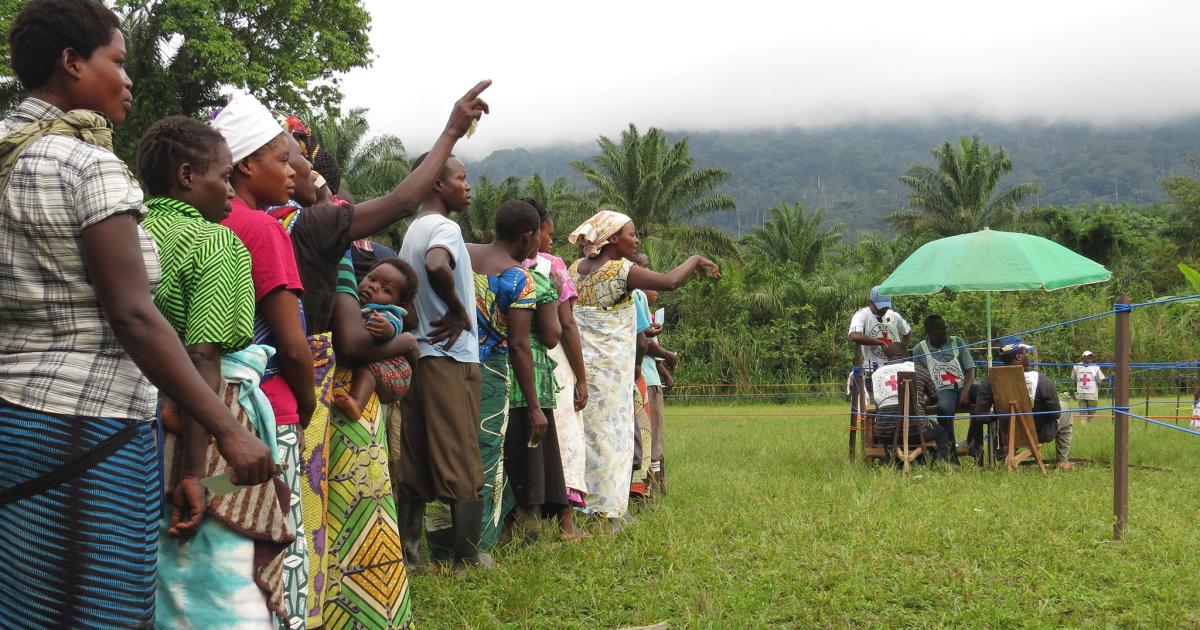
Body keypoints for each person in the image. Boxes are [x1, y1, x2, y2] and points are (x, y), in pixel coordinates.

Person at [0, 2, 271, 625]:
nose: (128, 80)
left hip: (13, 423)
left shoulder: (8, 154)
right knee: (102, 607)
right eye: (117, 63)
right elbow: (133, 315)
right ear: (72, 63)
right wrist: (226, 429)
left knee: (26, 607)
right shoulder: (87, 164)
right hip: (85, 431)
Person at [136, 116, 293, 628]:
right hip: (203, 423)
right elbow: (203, 357)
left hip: (134, 423)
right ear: (186, 176)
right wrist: (192, 472)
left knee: (153, 577)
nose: (231, 191)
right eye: (224, 177)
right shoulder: (216, 243)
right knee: (218, 578)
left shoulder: (125, 234)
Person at [210, 93, 318, 628]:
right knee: (277, 544)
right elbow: (293, 345)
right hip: (267, 411)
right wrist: (308, 401)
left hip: (205, 409)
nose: (293, 172)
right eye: (282, 159)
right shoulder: (262, 229)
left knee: (230, 543)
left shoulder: (196, 221)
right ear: (246, 165)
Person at [568, 210, 719, 527]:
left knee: (590, 438)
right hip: (612, 374)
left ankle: (590, 506)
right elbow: (670, 282)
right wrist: (695, 258)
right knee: (615, 438)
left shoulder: (575, 269)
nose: (636, 240)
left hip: (582, 370)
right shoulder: (620, 271)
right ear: (612, 239)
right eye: (631, 234)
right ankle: (608, 513)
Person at [395, 151, 485, 574]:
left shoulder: (413, 229)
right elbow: (436, 265)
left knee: (415, 457)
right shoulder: (444, 227)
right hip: (449, 357)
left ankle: (409, 555)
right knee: (461, 455)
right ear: (437, 183)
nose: (467, 186)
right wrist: (457, 310)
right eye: (461, 178)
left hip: (419, 356)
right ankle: (466, 559)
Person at [483, 200, 566, 549]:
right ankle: (529, 522)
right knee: (533, 451)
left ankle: (497, 523)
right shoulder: (536, 283)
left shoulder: (485, 275)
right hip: (529, 373)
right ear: (529, 236)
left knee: (501, 447)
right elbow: (550, 336)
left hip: (494, 373)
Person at [523, 200, 590, 539]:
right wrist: (581, 376)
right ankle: (566, 522)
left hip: (515, 360)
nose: (550, 242)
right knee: (565, 436)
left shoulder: (498, 261)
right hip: (552, 361)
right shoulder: (551, 265)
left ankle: (524, 517)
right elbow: (566, 326)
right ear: (536, 232)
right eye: (548, 234)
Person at [330, 258, 421, 420]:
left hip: (393, 370)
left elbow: (394, 325)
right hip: (377, 365)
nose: (373, 286)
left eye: (386, 289)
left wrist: (387, 331)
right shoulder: (354, 305)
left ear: (398, 302)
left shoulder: (387, 312)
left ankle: (357, 403)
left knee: (368, 368)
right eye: (371, 278)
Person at [975, 337, 1074, 470]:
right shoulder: (1042, 380)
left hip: (1006, 434)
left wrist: (1000, 414)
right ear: (1019, 356)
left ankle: (1003, 454)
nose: (1028, 356)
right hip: (1038, 433)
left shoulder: (990, 380)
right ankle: (1063, 461)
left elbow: (980, 416)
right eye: (1026, 353)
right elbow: (1055, 414)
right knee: (1065, 409)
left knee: (996, 418)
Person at [869, 343, 953, 464]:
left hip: (886, 432)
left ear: (888, 357)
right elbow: (935, 397)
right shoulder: (918, 369)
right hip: (916, 430)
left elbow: (876, 403)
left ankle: (889, 461)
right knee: (941, 432)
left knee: (881, 429)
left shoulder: (876, 374)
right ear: (907, 355)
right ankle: (942, 463)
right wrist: (921, 403)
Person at [912, 315, 978, 446]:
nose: (945, 331)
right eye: (941, 329)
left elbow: (970, 369)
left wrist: (966, 390)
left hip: (964, 385)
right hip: (942, 390)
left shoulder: (957, 341)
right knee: (944, 408)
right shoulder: (919, 349)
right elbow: (920, 378)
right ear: (930, 332)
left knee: (985, 395)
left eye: (945, 328)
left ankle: (974, 441)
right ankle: (949, 450)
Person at [848, 286, 912, 418]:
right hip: (872, 370)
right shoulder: (862, 315)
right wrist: (879, 342)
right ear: (870, 302)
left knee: (898, 405)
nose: (883, 309)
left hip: (894, 369)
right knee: (874, 408)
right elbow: (854, 335)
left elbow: (907, 331)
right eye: (880, 306)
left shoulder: (893, 316)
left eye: (886, 306)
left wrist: (901, 348)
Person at [1071, 350, 1107, 422]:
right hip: (1081, 391)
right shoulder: (1077, 366)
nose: (1090, 358)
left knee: (1092, 409)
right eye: (1088, 356)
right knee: (1082, 408)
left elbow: (1099, 379)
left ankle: (1090, 421)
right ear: (1083, 357)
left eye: (1091, 356)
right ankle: (1083, 423)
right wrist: (1076, 388)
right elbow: (1073, 378)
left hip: (1092, 392)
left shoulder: (1095, 367)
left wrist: (1106, 378)